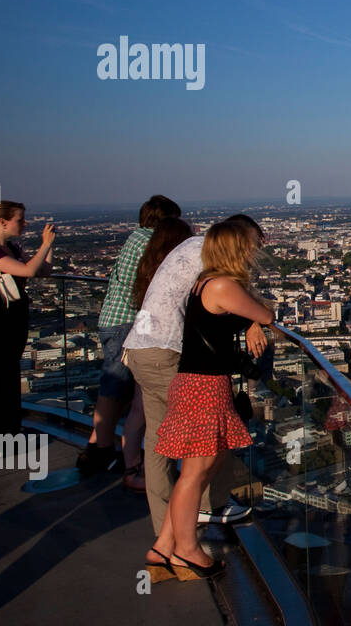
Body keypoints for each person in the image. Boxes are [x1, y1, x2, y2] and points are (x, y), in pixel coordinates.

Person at [146, 220, 273, 580]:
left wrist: (247, 323)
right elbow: (264, 314)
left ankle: (163, 548)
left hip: (199, 384)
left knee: (201, 470)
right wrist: (255, 322)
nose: (253, 251)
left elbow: (238, 317)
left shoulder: (206, 283)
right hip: (203, 387)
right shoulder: (221, 285)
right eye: (248, 246)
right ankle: (186, 551)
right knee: (195, 473)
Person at [80, 195, 182, 476]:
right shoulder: (149, 241)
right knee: (115, 387)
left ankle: (97, 446)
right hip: (127, 325)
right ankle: (104, 453)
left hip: (116, 322)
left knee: (121, 389)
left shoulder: (136, 238)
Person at [0, 202, 56, 436]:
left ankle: (7, 427)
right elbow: (27, 271)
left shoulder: (12, 248)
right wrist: (44, 244)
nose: (25, 224)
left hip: (13, 320)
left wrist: (49, 247)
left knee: (7, 374)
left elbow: (42, 271)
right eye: (20, 220)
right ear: (2, 222)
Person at [119, 216, 193, 492]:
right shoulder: (179, 270)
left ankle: (158, 500)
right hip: (164, 353)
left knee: (155, 430)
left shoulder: (150, 270)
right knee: (191, 430)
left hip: (139, 350)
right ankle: (193, 503)